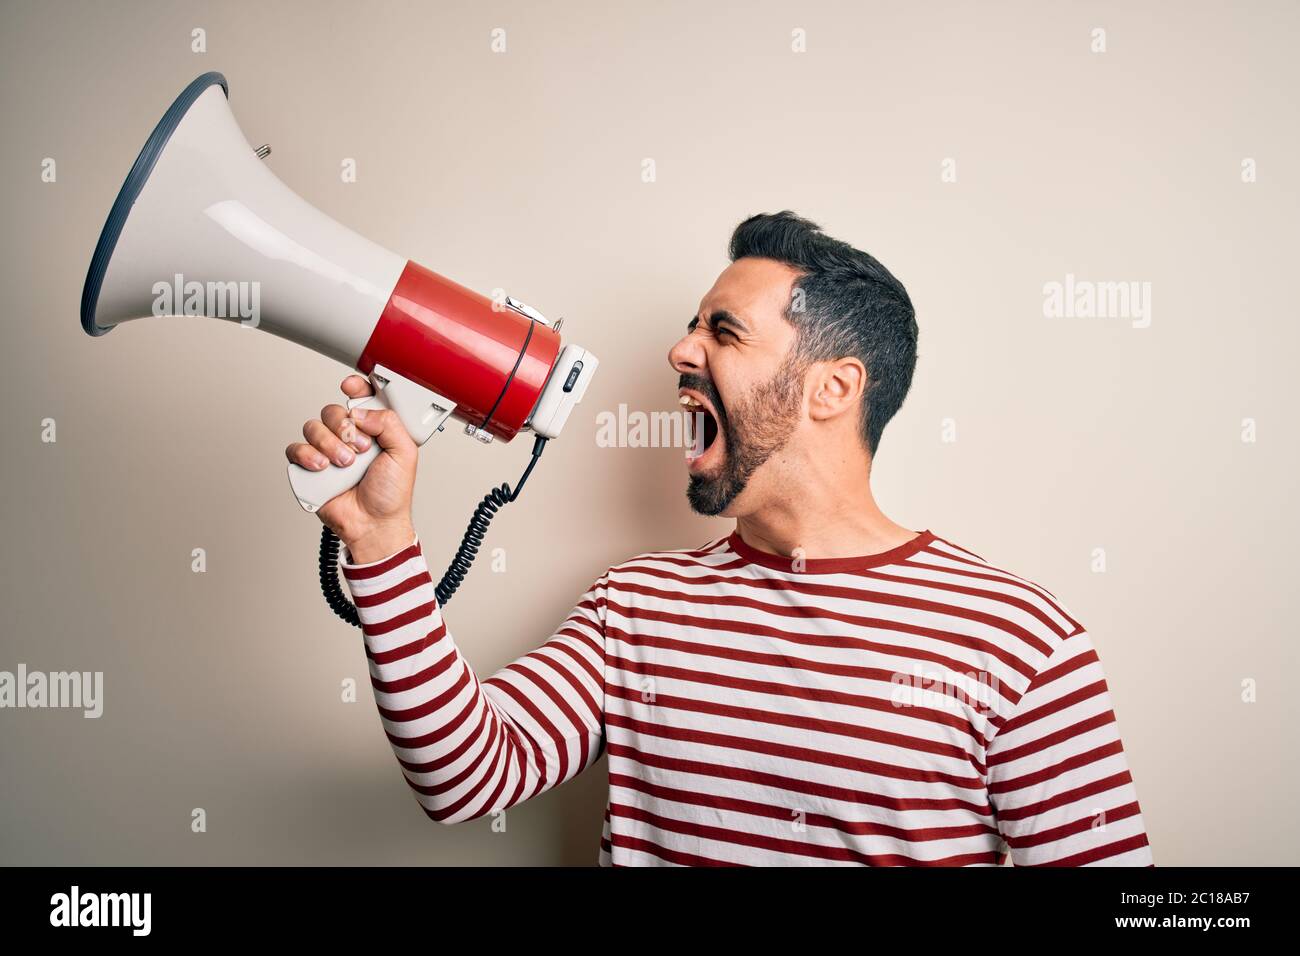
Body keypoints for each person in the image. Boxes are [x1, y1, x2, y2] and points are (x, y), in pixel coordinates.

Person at [285, 211, 1153, 866]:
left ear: (831, 388)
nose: (678, 350)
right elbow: (464, 775)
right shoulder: (635, 606)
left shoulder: (1023, 645)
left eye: (722, 331)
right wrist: (380, 537)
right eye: (693, 325)